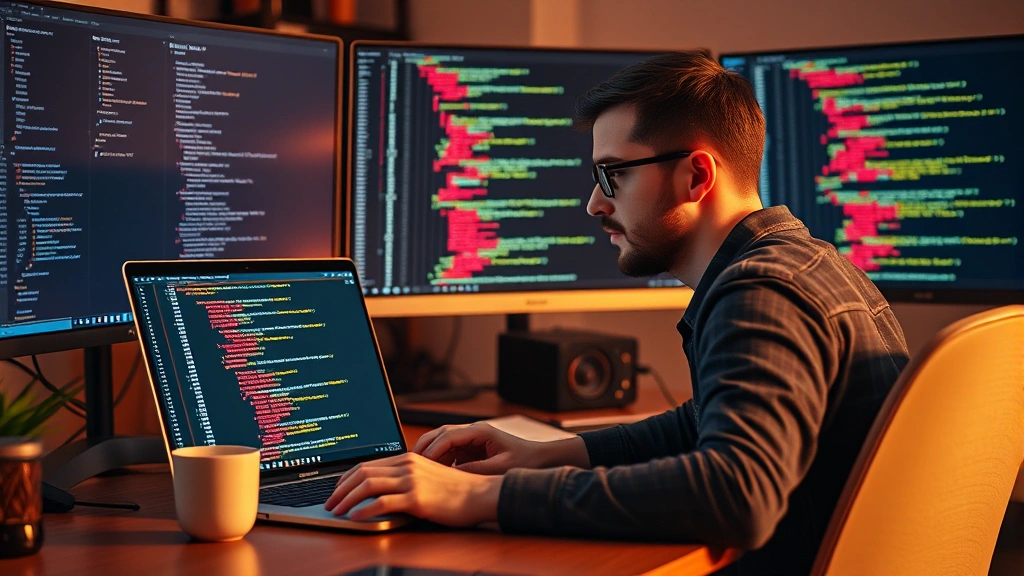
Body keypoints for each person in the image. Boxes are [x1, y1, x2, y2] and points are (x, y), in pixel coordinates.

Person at [325, 50, 909, 575]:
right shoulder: (812, 265)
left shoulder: (760, 292)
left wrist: (473, 498)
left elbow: (737, 495)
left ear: (696, 176)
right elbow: (707, 422)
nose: (594, 202)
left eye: (614, 174)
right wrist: (554, 454)